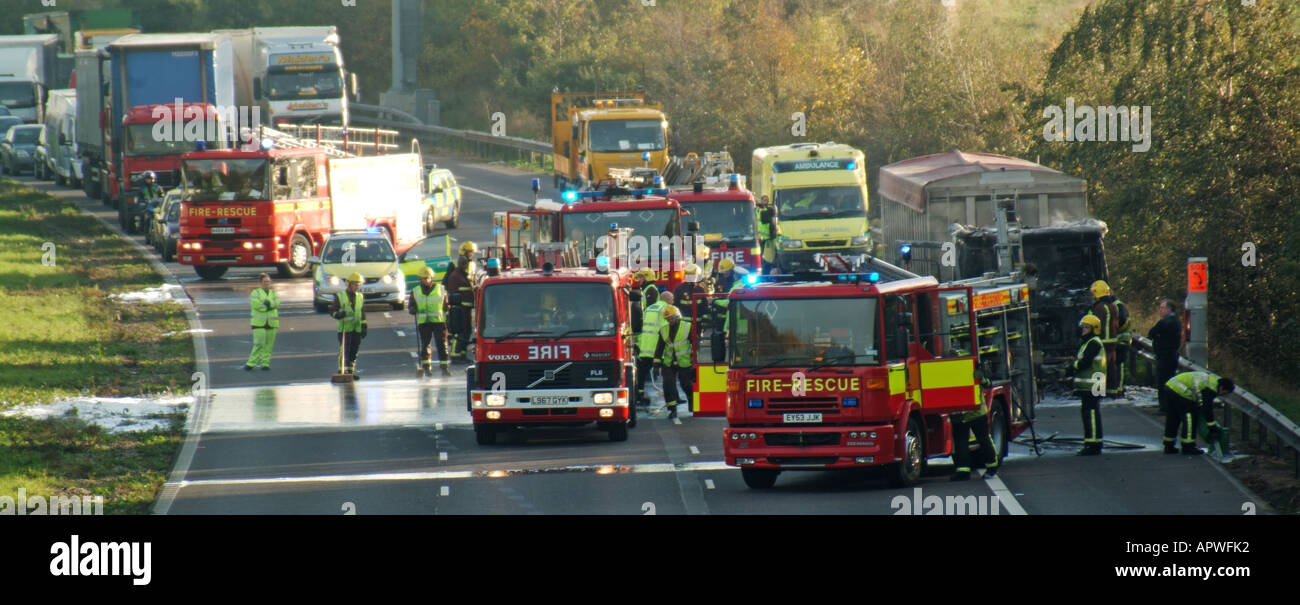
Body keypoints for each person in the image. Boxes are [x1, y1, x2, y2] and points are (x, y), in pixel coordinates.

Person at [1164, 372, 1235, 455]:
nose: (1222, 394)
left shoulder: (1211, 382)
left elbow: (1202, 404)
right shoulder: (1211, 389)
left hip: (1170, 386)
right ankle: (1188, 447)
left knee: (1173, 417)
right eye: (1224, 392)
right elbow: (1207, 409)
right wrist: (1212, 426)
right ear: (1222, 387)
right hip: (1180, 391)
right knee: (1190, 417)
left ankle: (1168, 446)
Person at [950, 379, 999, 481]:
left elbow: (986, 383)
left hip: (970, 414)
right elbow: (987, 383)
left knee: (977, 440)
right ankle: (963, 470)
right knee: (962, 443)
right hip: (969, 414)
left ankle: (991, 466)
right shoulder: (973, 367)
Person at [1073, 314, 1107, 456]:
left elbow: (1085, 362)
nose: (1083, 330)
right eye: (1082, 327)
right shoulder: (1088, 342)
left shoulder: (1094, 342)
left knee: (1091, 414)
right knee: (1089, 413)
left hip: (1093, 385)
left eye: (1087, 327)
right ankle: (1092, 442)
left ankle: (1093, 445)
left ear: (1094, 329)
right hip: (1091, 385)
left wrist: (1071, 367)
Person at [653, 304, 694, 419]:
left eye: (671, 318)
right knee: (668, 384)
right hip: (669, 363)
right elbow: (659, 348)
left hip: (684, 362)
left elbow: (695, 346)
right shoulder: (663, 330)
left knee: (686, 384)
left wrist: (695, 361)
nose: (670, 321)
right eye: (667, 319)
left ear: (677, 316)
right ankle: (672, 409)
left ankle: (692, 401)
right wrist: (656, 364)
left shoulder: (688, 327)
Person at [408, 266, 450, 377]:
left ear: (431, 278)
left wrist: (448, 309)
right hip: (424, 323)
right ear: (420, 279)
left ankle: (444, 368)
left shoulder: (441, 289)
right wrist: (412, 309)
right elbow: (411, 306)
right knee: (425, 345)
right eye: (424, 278)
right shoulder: (415, 291)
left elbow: (446, 305)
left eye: (428, 278)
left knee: (442, 345)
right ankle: (426, 368)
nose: (426, 280)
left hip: (439, 322)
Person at [1088, 280, 1123, 398]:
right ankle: (1112, 392)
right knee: (1111, 367)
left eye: (1093, 293)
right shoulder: (1113, 305)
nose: (1093, 296)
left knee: (1099, 367)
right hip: (1112, 341)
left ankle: (1097, 392)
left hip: (1102, 341)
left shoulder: (1099, 307)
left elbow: (1096, 324)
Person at [1148, 299, 1182, 413]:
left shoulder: (1166, 322)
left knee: (1163, 382)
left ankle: (1165, 407)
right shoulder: (1175, 321)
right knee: (1168, 381)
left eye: (1162, 308)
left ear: (1169, 309)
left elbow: (1151, 333)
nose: (1160, 310)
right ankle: (1168, 406)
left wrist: (1158, 336)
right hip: (1171, 355)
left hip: (1165, 356)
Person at [330, 272, 367, 376]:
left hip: (357, 328)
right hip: (345, 328)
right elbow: (332, 311)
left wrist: (364, 325)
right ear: (349, 284)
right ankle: (342, 370)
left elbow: (362, 312)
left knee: (354, 350)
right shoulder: (340, 296)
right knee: (345, 350)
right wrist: (339, 314)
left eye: (358, 285)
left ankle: (350, 370)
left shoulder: (360, 297)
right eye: (355, 285)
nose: (356, 287)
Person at [633, 286, 665, 407]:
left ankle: (639, 395)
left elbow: (640, 326)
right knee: (668, 374)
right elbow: (665, 330)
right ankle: (672, 398)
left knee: (641, 372)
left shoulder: (648, 309)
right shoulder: (665, 309)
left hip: (644, 347)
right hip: (658, 348)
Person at [245, 273, 279, 371]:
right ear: (260, 283)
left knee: (269, 344)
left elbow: (277, 303)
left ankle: (265, 363)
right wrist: (268, 306)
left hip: (272, 323)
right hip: (259, 323)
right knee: (259, 343)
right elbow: (257, 305)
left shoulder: (274, 293)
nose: (267, 283)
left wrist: (269, 304)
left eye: (268, 281)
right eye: (265, 282)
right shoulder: (256, 293)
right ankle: (251, 363)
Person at [444, 257, 474, 361]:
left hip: (466, 310)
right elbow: (453, 295)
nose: (465, 266)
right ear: (461, 264)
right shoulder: (455, 276)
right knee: (459, 333)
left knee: (466, 332)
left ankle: (462, 354)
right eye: (464, 264)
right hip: (459, 310)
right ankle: (455, 355)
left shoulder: (462, 275)